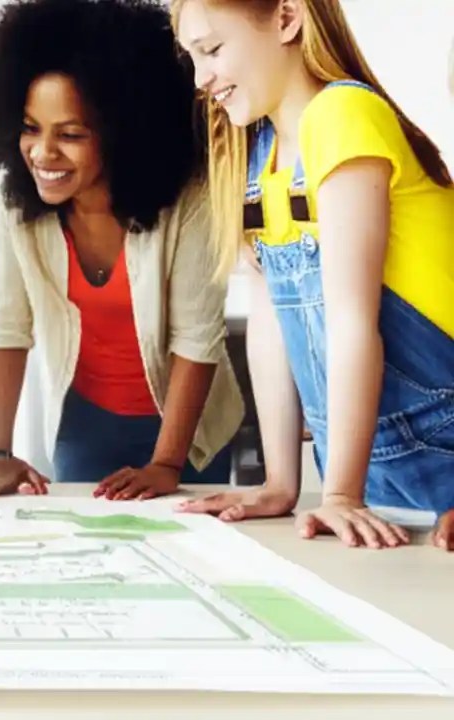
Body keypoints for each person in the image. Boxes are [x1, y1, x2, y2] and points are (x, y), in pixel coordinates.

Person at [172, 0, 454, 551]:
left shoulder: (341, 115)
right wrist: (281, 483)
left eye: (212, 50)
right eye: (193, 58)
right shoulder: (260, 154)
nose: (202, 78)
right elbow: (273, 324)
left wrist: (341, 494)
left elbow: (351, 318)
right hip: (375, 481)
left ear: (286, 18)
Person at [0, 0, 244, 500]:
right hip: (85, 423)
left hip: (190, 431)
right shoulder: (16, 203)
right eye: (31, 128)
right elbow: (9, 325)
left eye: (70, 134)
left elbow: (197, 340)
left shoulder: (192, 198)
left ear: (122, 134)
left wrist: (165, 463)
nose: (43, 153)